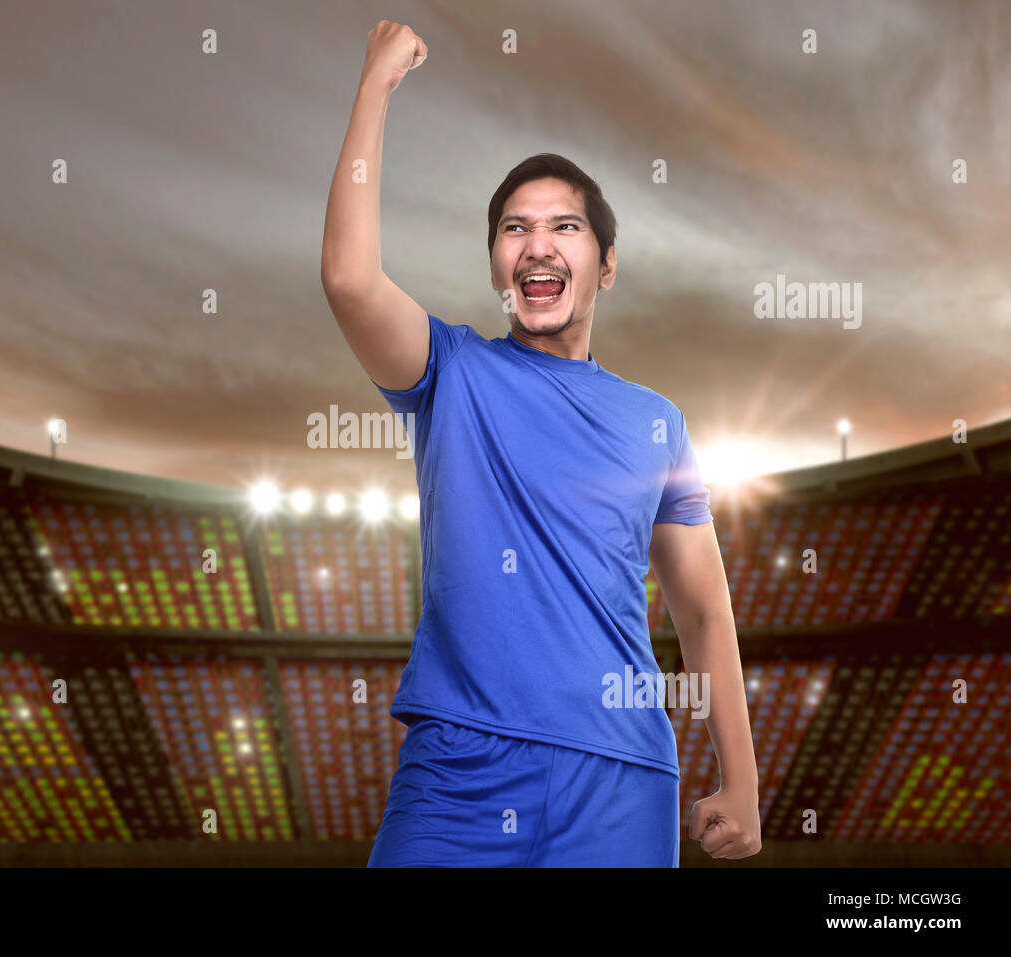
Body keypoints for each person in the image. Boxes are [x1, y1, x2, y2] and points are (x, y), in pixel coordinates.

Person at [321, 20, 761, 866]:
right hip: (456, 769)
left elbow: (703, 607)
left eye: (564, 227)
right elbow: (347, 276)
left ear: (605, 264)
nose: (537, 244)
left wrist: (740, 779)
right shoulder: (451, 371)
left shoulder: (656, 420)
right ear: (497, 266)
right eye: (515, 229)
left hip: (621, 777)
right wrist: (375, 84)